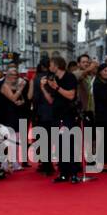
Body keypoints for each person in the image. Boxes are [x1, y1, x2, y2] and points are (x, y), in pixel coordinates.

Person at [41, 54, 81, 183]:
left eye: (51, 64)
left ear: (57, 65)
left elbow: (71, 95)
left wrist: (56, 87)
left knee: (70, 144)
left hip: (69, 114)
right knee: (59, 145)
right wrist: (43, 88)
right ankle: (63, 173)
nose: (49, 67)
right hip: (56, 115)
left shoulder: (70, 77)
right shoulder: (53, 78)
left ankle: (74, 173)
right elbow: (51, 100)